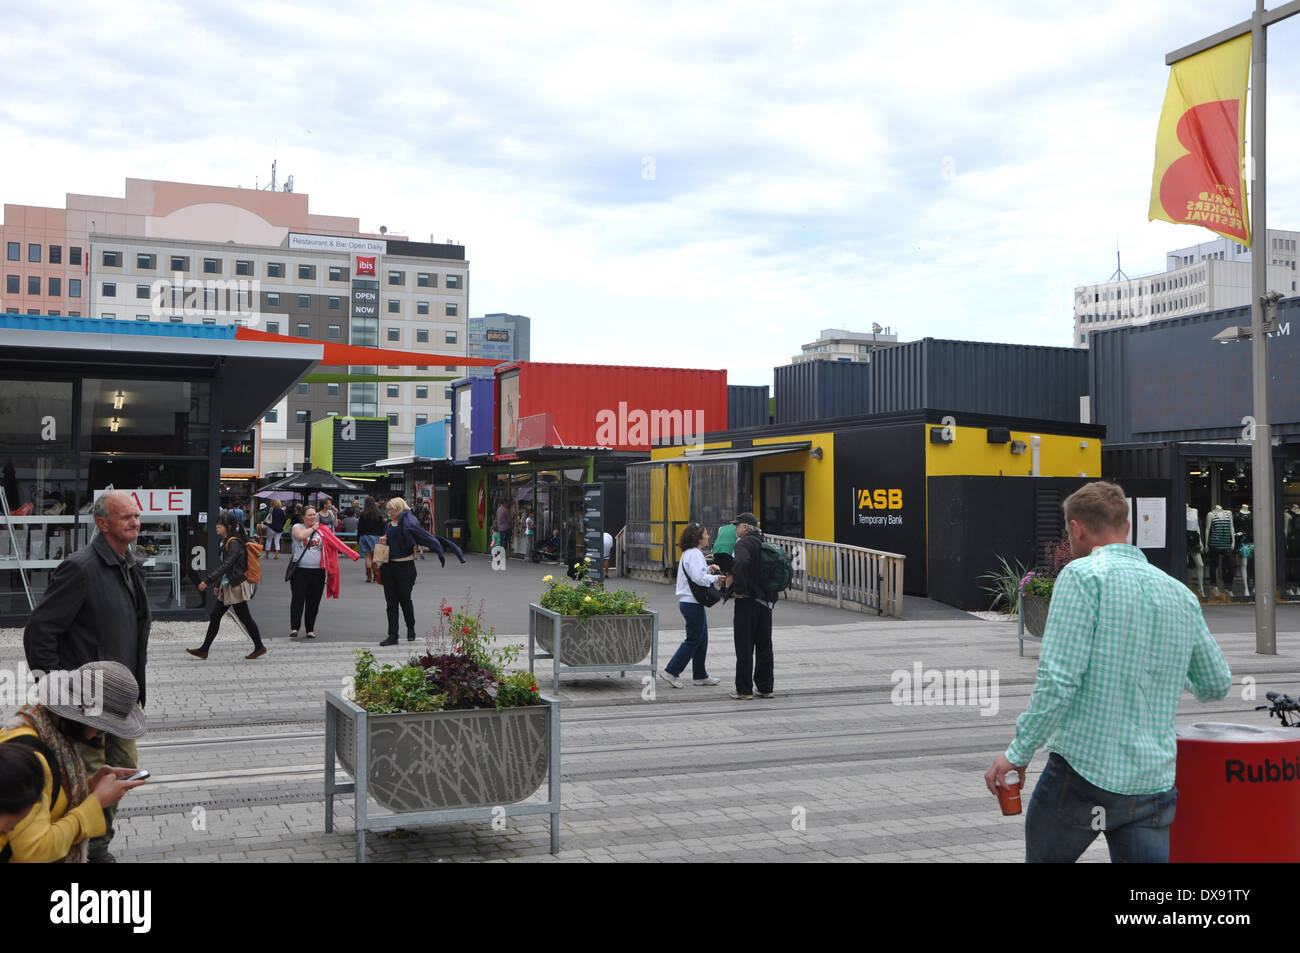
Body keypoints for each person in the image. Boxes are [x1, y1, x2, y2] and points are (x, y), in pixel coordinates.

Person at [984, 481, 1233, 863]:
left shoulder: (1083, 577)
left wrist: (1017, 754)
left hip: (1084, 776)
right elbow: (1215, 684)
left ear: (1077, 528)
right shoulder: (1179, 593)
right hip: (1151, 784)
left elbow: (1059, 679)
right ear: (1127, 528)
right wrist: (1162, 660)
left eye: (1069, 533)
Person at [23, 489, 150, 863]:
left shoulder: (129, 563)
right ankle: (90, 851)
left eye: (136, 516)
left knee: (123, 775)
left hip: (120, 702)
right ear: (102, 523)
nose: (135, 522)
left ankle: (98, 845)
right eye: (126, 516)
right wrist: (57, 694)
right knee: (90, 780)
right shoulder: (81, 567)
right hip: (87, 705)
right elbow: (39, 632)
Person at [0, 661, 148, 863]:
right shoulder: (30, 758)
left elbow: (49, 802)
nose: (99, 736)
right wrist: (96, 803)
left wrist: (90, 785)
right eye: (101, 728)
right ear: (80, 717)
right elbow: (33, 852)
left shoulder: (47, 731)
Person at [378, 496, 465, 646]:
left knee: (405, 600)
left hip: (405, 567)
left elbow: (422, 537)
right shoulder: (388, 525)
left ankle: (410, 629)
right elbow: (384, 550)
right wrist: (382, 543)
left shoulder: (408, 522)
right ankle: (393, 635)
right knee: (391, 603)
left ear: (399, 508)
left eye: (392, 509)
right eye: (388, 510)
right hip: (389, 567)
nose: (389, 512)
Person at [187, 514, 266, 660]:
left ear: (228, 527)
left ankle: (259, 646)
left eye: (220, 524)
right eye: (217, 524)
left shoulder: (233, 542)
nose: (217, 526)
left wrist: (208, 581)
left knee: (240, 617)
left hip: (235, 585)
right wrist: (218, 584)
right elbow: (228, 567)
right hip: (230, 584)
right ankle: (205, 649)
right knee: (222, 616)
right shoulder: (227, 541)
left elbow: (227, 565)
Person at [659, 523, 723, 689]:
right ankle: (671, 671)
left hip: (690, 602)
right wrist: (716, 578)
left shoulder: (690, 553)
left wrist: (708, 569)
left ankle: (700, 675)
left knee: (702, 638)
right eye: (706, 534)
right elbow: (698, 578)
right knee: (694, 639)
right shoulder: (695, 554)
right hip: (692, 602)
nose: (708, 536)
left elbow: (698, 573)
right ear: (698, 537)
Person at [725, 512, 774, 700]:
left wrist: (739, 589)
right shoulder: (764, 541)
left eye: (737, 525)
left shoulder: (743, 543)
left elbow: (743, 562)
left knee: (744, 645)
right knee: (764, 646)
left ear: (745, 527)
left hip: (747, 601)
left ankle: (744, 690)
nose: (735, 528)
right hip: (766, 602)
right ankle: (765, 687)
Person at [288, 506, 327, 640]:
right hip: (300, 571)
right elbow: (300, 536)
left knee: (313, 601)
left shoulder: (321, 530)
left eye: (314, 515)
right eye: (309, 515)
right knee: (298, 599)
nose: (313, 517)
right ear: (303, 517)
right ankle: (294, 627)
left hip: (318, 572)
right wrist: (313, 529)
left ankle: (310, 629)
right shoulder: (297, 527)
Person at [357, 498, 386, 584]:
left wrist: (358, 538)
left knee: (367, 555)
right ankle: (376, 573)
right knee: (374, 556)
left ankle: (369, 576)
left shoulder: (363, 514)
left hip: (364, 536)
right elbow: (382, 527)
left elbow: (360, 527)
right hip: (375, 536)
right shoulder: (378, 514)